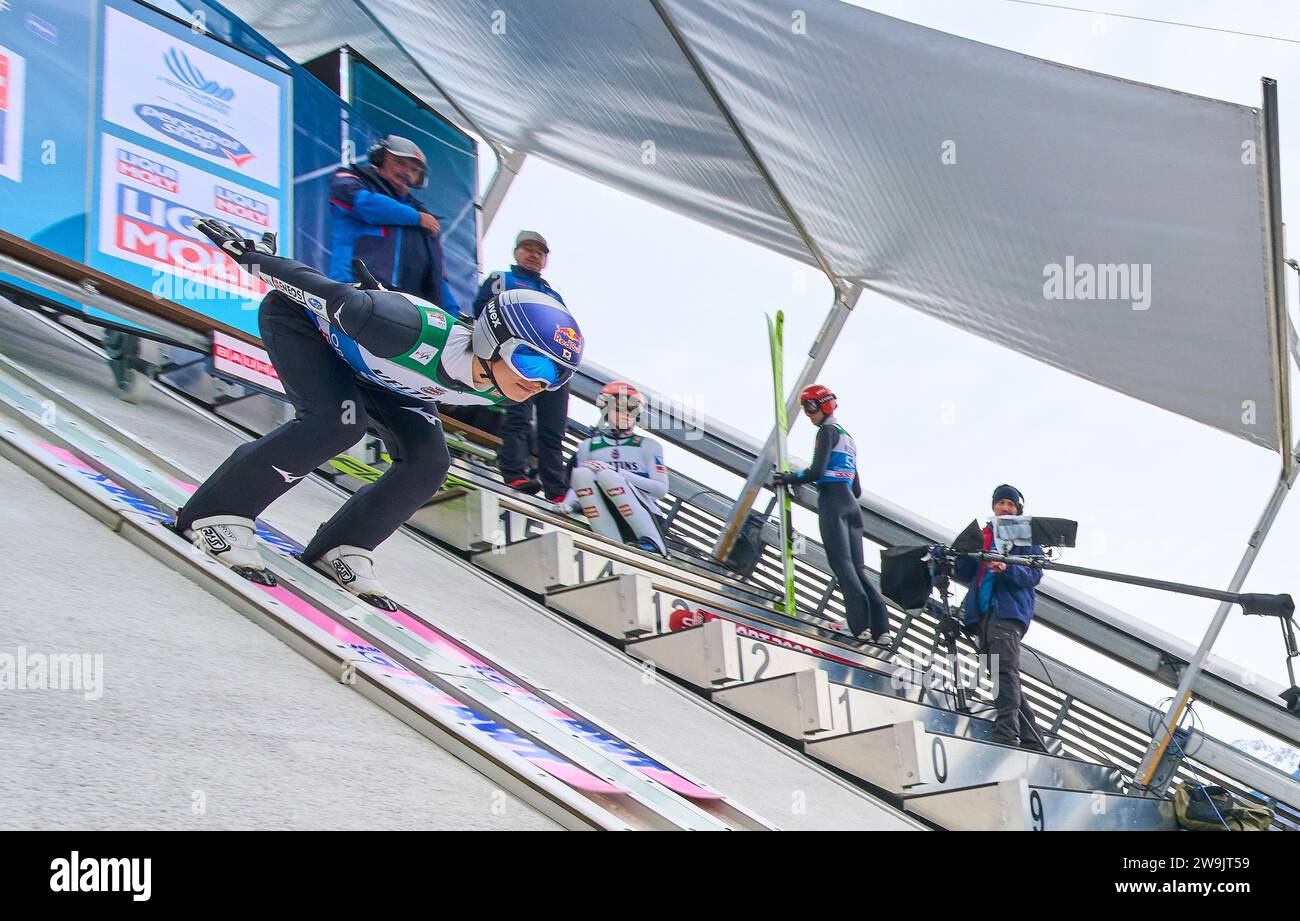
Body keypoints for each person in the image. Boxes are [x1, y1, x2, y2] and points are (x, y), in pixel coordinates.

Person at [173, 218, 582, 610]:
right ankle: (218, 512)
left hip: (382, 371)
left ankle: (344, 544)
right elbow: (330, 294)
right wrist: (255, 259)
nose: (539, 383)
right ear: (493, 340)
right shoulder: (403, 328)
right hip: (307, 325)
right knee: (337, 424)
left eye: (557, 375)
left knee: (430, 462)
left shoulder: (506, 390)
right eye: (533, 364)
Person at [773, 385, 891, 645]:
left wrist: (788, 478)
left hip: (833, 502)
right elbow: (856, 488)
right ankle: (881, 629)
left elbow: (816, 471)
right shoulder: (847, 437)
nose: (807, 414)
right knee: (858, 568)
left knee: (842, 565)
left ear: (823, 406)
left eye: (810, 407)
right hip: (851, 506)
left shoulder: (826, 431)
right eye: (804, 408)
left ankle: (858, 626)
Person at [469, 231, 570, 501]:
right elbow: (483, 312)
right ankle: (514, 473)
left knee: (553, 429)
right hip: (517, 361)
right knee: (518, 418)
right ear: (516, 252)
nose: (534, 255)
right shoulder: (501, 278)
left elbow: (566, 330)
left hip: (551, 366)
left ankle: (556, 490)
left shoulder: (553, 294)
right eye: (528, 249)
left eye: (540, 252)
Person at [953, 484, 1049, 751]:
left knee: (1005, 672)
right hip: (981, 613)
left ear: (1019, 509)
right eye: (1001, 503)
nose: (1005, 508)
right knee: (1001, 674)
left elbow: (1034, 574)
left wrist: (1007, 567)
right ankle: (1034, 740)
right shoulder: (985, 535)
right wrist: (961, 554)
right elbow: (965, 573)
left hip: (1007, 612)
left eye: (1011, 504)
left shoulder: (1026, 537)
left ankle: (1006, 735)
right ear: (994, 505)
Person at [326, 135, 460, 313]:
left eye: (414, 170)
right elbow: (363, 203)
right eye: (400, 163)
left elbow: (437, 276)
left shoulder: (425, 218)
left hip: (405, 315)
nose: (407, 173)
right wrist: (416, 217)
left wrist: (454, 313)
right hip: (354, 297)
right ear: (380, 158)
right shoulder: (349, 179)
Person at [560, 382, 669, 555]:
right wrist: (567, 504)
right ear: (606, 411)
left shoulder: (648, 445)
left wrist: (615, 471)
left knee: (607, 477)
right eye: (618, 408)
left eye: (632, 409)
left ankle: (654, 543)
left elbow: (660, 490)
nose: (626, 414)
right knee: (582, 473)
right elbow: (577, 487)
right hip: (608, 516)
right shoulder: (588, 446)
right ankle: (610, 546)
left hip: (644, 517)